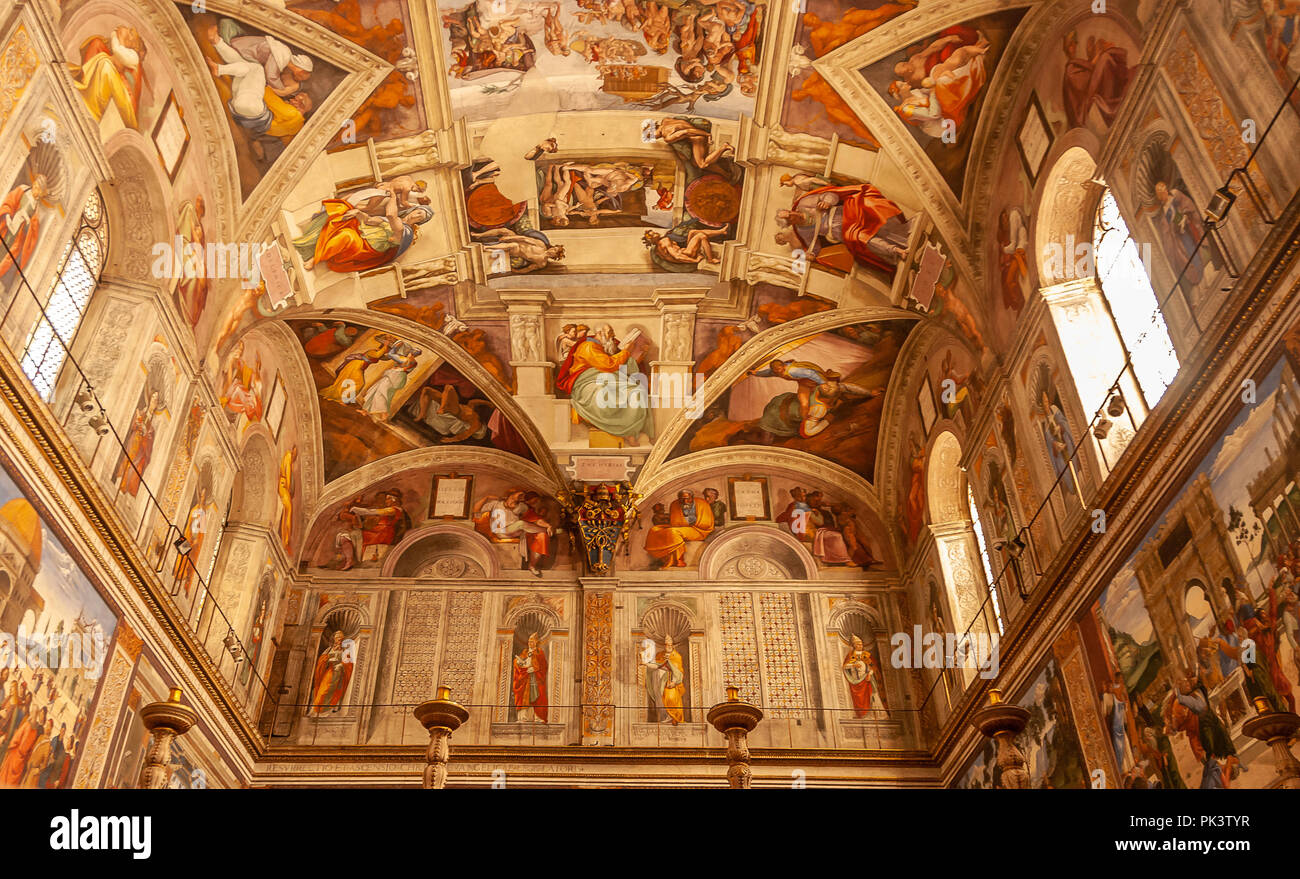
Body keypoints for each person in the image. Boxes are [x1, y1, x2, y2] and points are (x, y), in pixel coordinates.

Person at [553, 324, 654, 443]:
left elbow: (619, 366)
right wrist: (627, 351)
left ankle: (630, 430)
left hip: (606, 379)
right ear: (600, 333)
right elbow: (608, 364)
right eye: (610, 332)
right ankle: (624, 431)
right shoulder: (588, 346)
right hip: (586, 383)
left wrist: (637, 353)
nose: (614, 335)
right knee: (603, 393)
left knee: (635, 391)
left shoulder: (602, 347)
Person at [644, 489, 715, 567]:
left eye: (687, 498)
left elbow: (706, 524)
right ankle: (663, 558)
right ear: (678, 498)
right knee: (654, 530)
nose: (685, 501)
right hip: (682, 528)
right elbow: (675, 523)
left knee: (673, 532)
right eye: (682, 499)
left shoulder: (702, 503)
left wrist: (687, 523)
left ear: (692, 497)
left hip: (699, 530)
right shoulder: (675, 504)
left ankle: (679, 560)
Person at [309, 631, 353, 715]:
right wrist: (328, 660)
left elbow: (348, 663)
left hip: (338, 674)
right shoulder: (329, 649)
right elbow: (321, 660)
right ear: (334, 639)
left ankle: (329, 710)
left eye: (341, 639)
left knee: (334, 691)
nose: (339, 641)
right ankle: (318, 709)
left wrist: (341, 665)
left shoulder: (345, 651)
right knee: (323, 691)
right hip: (329, 671)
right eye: (337, 639)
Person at [645, 636, 686, 724]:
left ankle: (673, 717)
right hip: (659, 681)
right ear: (664, 645)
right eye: (667, 645)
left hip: (671, 682)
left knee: (671, 698)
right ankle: (663, 717)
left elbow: (679, 671)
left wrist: (674, 682)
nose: (669, 647)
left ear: (673, 646)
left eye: (670, 645)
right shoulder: (660, 655)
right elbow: (656, 666)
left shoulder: (677, 656)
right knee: (660, 700)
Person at [843, 636, 887, 717]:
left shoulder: (866, 655)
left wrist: (870, 673)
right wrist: (854, 665)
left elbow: (873, 667)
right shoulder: (850, 655)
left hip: (867, 679)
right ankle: (861, 715)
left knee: (872, 695)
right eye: (858, 644)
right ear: (854, 645)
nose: (861, 646)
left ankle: (874, 714)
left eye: (861, 644)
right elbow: (845, 667)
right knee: (859, 699)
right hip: (856, 681)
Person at [512, 633, 548, 722]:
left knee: (536, 696)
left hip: (535, 679)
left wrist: (535, 668)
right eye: (529, 641)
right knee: (525, 697)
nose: (530, 643)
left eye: (532, 641)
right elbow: (519, 660)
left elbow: (544, 666)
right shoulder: (525, 652)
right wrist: (518, 662)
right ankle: (523, 717)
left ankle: (537, 717)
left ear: (536, 642)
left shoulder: (540, 652)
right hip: (525, 679)